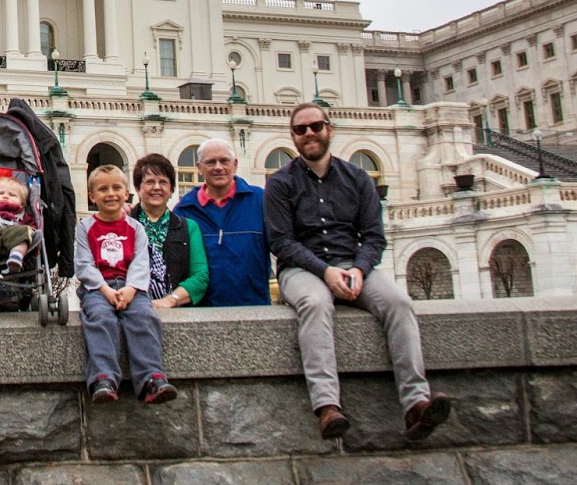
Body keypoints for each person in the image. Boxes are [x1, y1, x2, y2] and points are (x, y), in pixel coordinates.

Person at [266, 103, 452, 442]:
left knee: (398, 303)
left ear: (330, 130)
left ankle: (415, 403)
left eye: (316, 126)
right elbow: (282, 242)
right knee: (315, 304)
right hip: (302, 269)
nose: (309, 133)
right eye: (301, 129)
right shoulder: (280, 183)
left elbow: (374, 237)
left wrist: (359, 270)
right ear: (293, 137)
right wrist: (326, 272)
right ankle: (327, 407)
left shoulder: (357, 177)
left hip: (354, 265)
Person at [75, 165, 176, 405]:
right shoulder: (85, 228)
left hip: (132, 287)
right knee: (100, 319)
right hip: (98, 288)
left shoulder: (135, 228)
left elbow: (142, 263)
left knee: (143, 318)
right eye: (102, 189)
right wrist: (106, 291)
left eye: (116, 187)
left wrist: (131, 289)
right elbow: (84, 265)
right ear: (92, 196)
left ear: (126, 193)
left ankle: (151, 377)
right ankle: (103, 377)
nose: (110, 193)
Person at [173, 140, 272, 307]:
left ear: (235, 164)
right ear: (199, 167)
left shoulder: (260, 201)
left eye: (224, 161)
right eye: (211, 162)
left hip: (255, 309)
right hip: (201, 314)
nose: (218, 167)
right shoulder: (184, 211)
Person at [128, 153, 210, 310]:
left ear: (172, 189)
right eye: (150, 182)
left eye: (163, 182)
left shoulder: (189, 227)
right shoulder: (124, 224)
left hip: (176, 313)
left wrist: (170, 300)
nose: (157, 187)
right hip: (131, 312)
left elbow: (200, 276)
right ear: (138, 188)